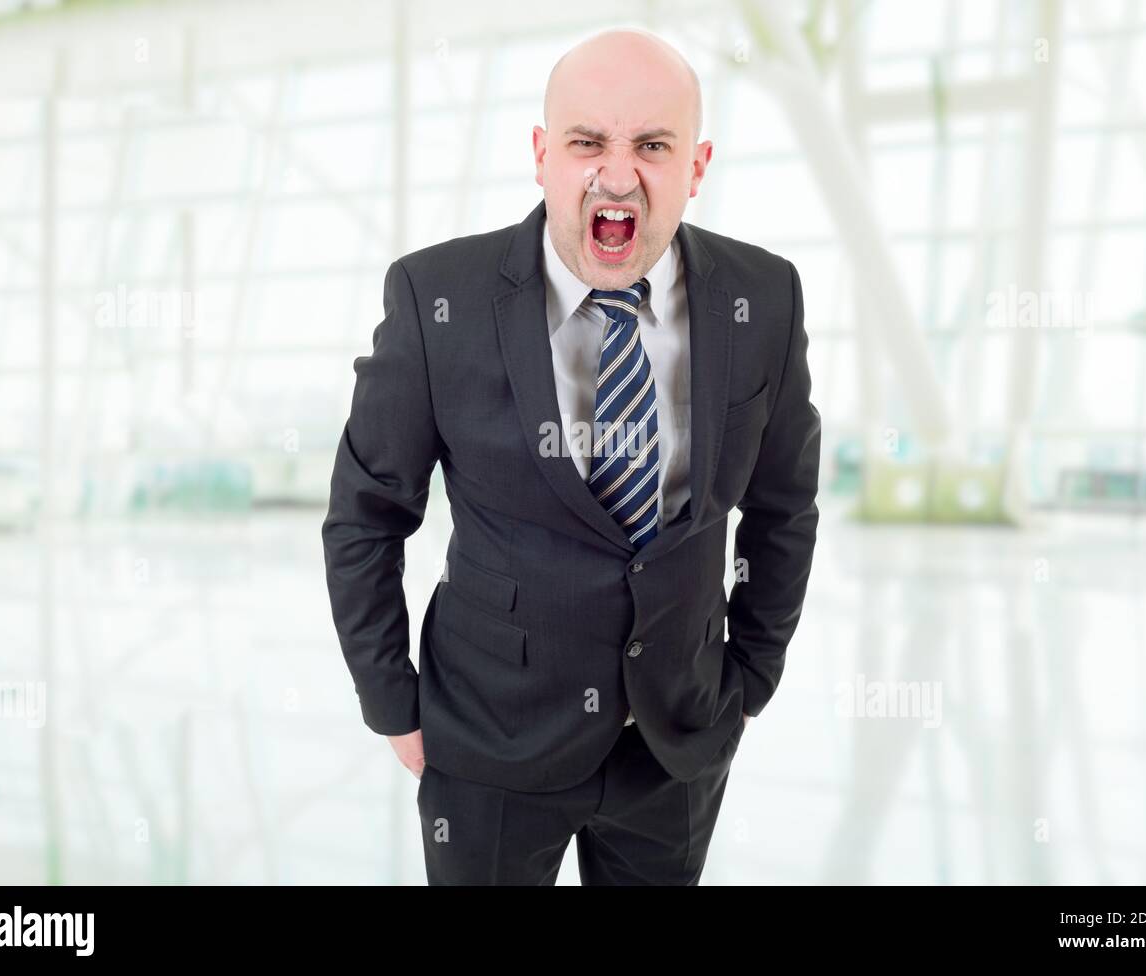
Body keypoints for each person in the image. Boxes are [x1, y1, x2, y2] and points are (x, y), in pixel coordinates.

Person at [321, 26, 821, 884]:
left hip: (677, 746)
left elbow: (783, 510)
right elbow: (365, 517)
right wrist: (391, 702)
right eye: (589, 142)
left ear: (696, 168)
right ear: (543, 156)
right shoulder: (437, 299)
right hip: (487, 741)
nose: (618, 174)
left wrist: (750, 679)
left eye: (653, 146)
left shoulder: (762, 296)